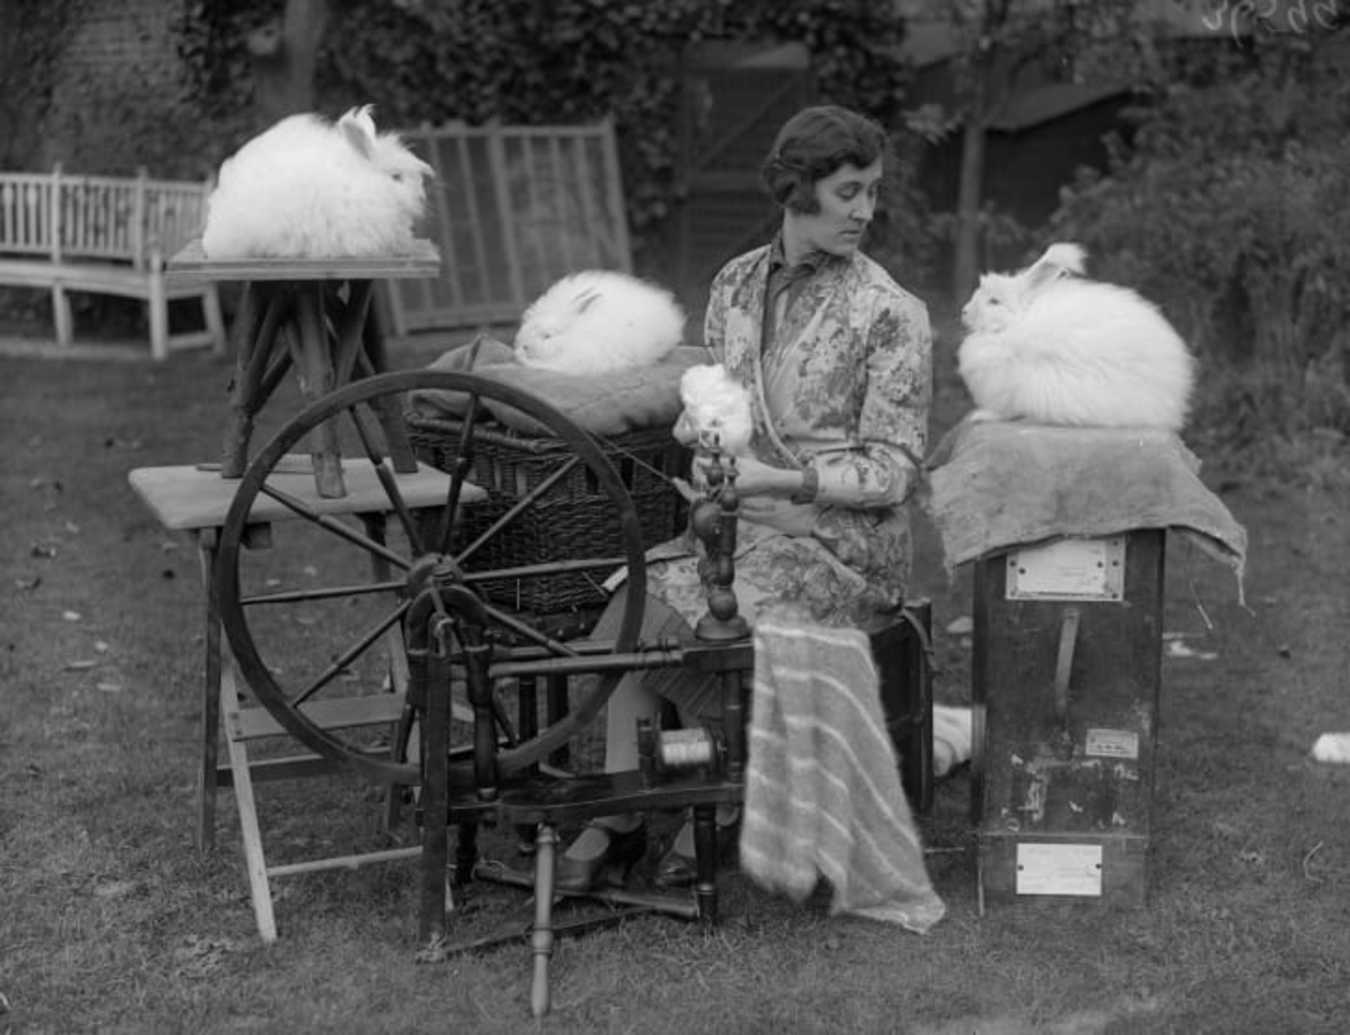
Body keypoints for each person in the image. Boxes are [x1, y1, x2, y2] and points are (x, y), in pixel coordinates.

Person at [556, 104, 932, 892]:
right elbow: (717, 405)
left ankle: (717, 808)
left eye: (872, 192)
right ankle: (625, 809)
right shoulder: (733, 285)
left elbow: (895, 471)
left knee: (695, 622)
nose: (865, 210)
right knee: (628, 612)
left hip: (844, 549)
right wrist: (705, 433)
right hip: (736, 529)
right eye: (848, 191)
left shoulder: (890, 313)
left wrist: (782, 480)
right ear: (795, 189)